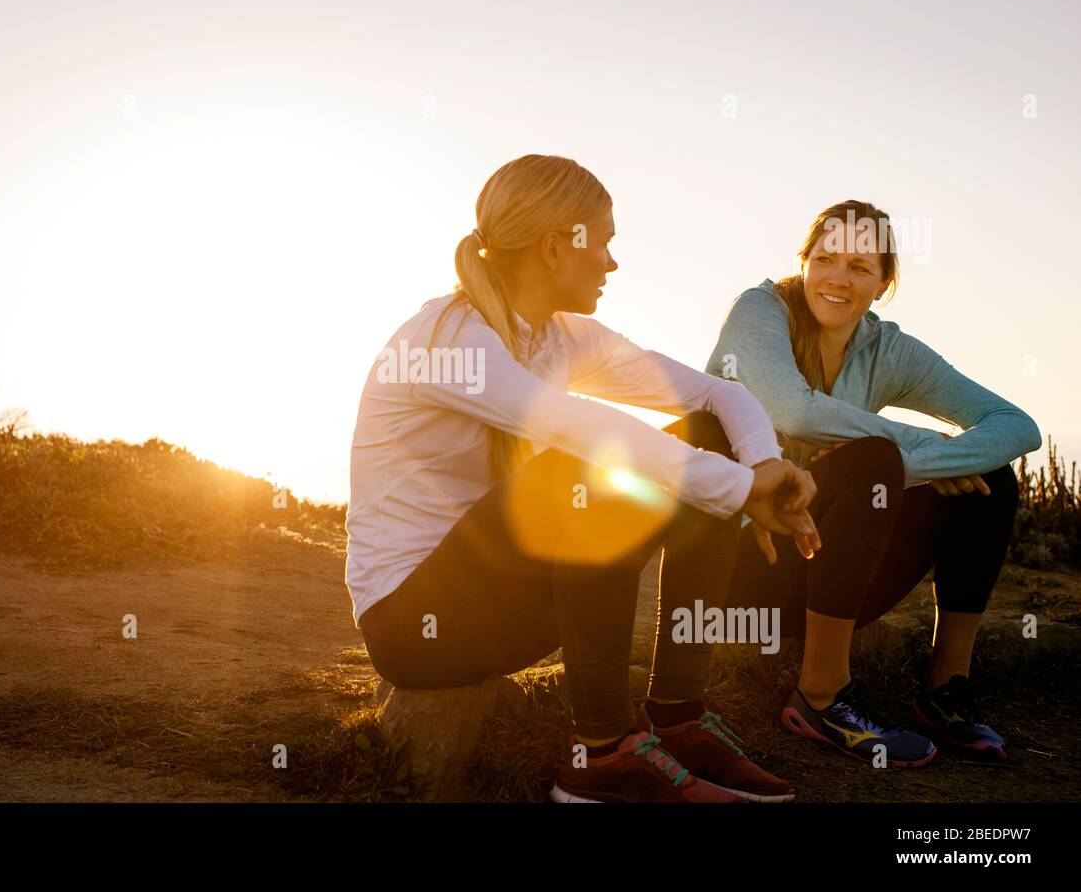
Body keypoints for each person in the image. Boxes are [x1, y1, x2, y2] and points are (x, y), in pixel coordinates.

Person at [345, 154, 818, 802]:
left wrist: (761, 464)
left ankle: (677, 718)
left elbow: (715, 394)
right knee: (581, 468)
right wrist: (740, 493)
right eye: (604, 244)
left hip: (509, 603)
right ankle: (603, 756)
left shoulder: (561, 337)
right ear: (554, 247)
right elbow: (577, 430)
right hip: (414, 627)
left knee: (708, 437)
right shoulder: (446, 342)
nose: (613, 264)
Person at [705, 200, 1041, 766]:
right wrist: (923, 450)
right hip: (734, 573)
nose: (837, 278)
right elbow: (795, 412)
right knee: (875, 460)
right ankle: (821, 696)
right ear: (804, 261)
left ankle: (945, 691)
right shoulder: (760, 311)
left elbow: (1018, 425)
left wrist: (939, 462)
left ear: (884, 283)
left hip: (833, 581)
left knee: (989, 479)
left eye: (860, 267)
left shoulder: (888, 350)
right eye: (826, 258)